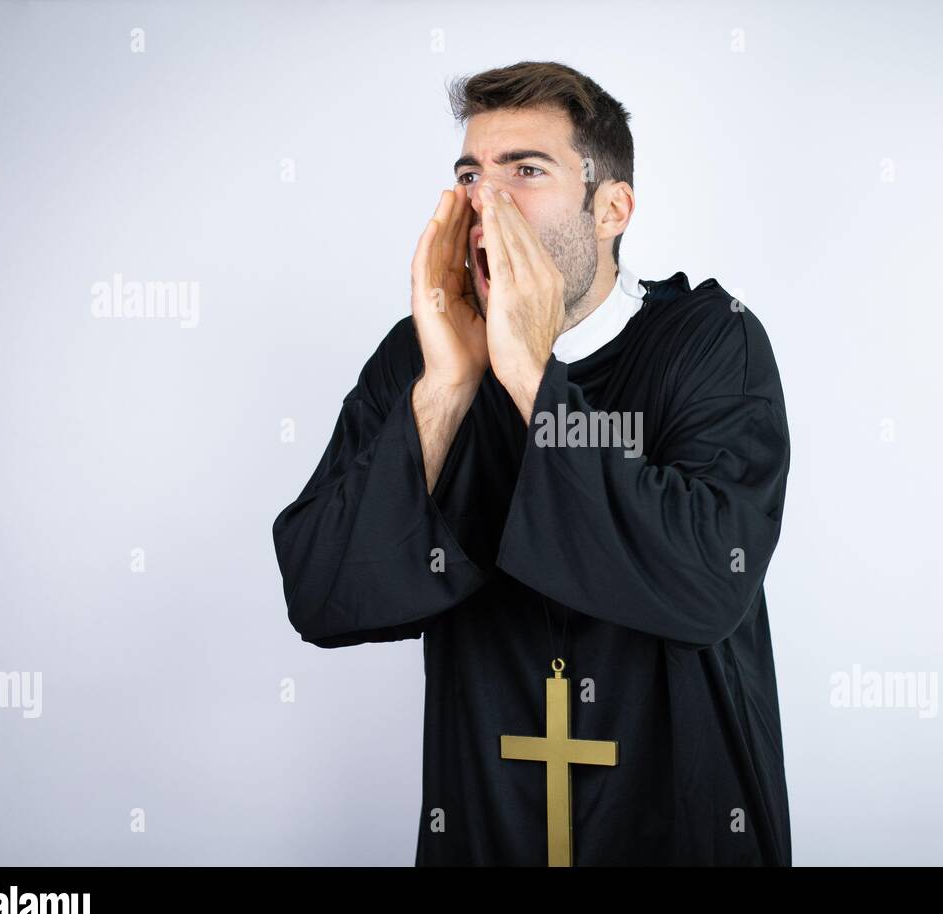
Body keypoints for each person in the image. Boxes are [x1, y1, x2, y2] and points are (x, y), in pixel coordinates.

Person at [272, 61, 792, 865]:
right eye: (472, 175)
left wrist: (528, 376)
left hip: (681, 826)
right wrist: (446, 391)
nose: (490, 200)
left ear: (610, 208)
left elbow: (704, 581)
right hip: (484, 828)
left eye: (527, 171)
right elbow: (322, 593)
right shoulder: (423, 358)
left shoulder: (712, 341)